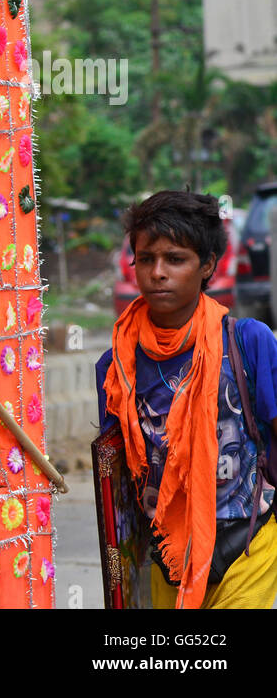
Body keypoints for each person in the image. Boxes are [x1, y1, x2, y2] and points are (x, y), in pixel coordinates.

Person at [97, 190, 277, 608]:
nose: (158, 272)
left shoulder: (248, 341)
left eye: (175, 259)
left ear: (207, 266)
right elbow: (118, 474)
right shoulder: (117, 364)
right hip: (168, 554)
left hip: (247, 541)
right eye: (146, 259)